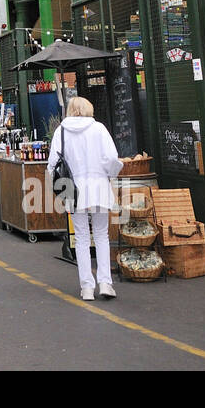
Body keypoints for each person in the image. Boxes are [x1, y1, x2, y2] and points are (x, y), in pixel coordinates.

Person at [47, 97, 123, 301]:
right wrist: (110, 174)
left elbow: (52, 164)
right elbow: (112, 159)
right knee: (101, 235)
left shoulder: (61, 131)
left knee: (80, 238)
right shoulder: (99, 129)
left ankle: (87, 287)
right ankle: (106, 283)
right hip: (98, 187)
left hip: (73, 190)